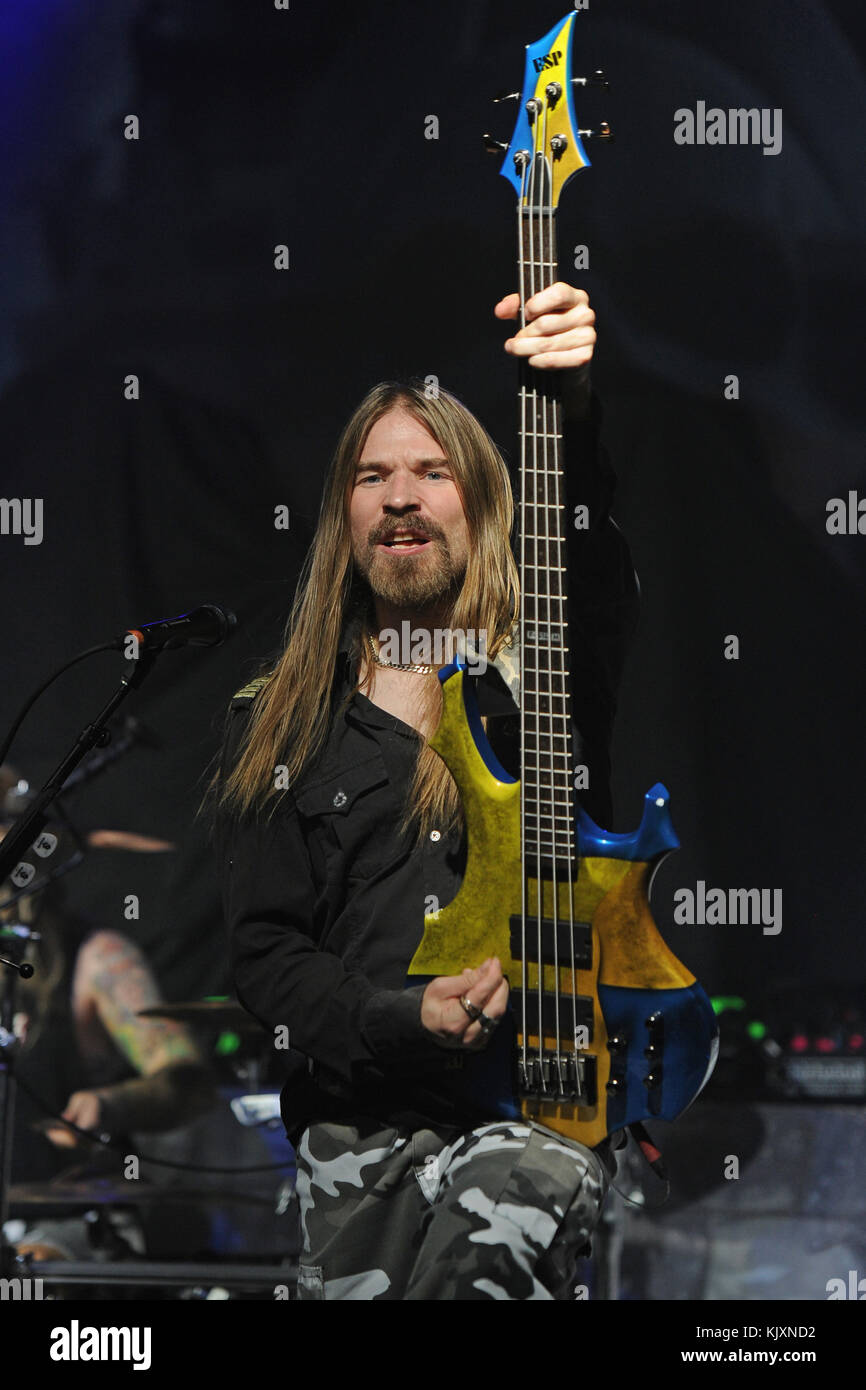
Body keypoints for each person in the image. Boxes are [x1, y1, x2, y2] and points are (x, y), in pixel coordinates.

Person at [215, 282, 640, 1299]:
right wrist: (399, 1017)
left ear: (483, 501)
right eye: (372, 476)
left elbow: (582, 538)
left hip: (535, 1103)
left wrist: (570, 403)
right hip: (357, 1125)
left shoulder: (547, 665)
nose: (398, 496)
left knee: (478, 1272)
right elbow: (265, 954)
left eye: (429, 471)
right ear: (344, 513)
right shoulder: (278, 717)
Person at [0, 770, 218, 1262]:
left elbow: (189, 1082)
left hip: (73, 1221)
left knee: (24, 1282)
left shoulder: (97, 959)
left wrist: (113, 1103)